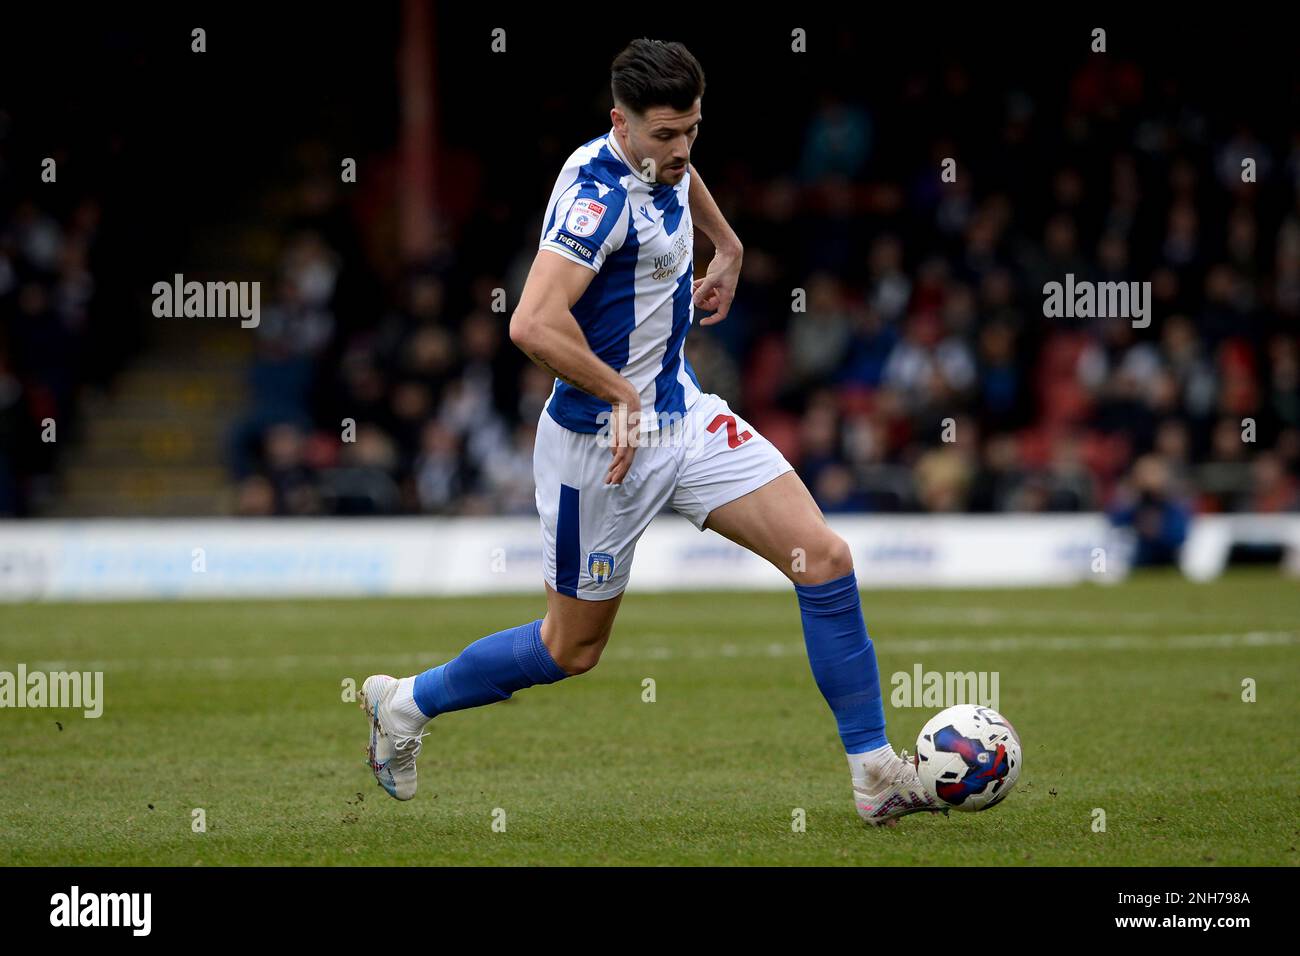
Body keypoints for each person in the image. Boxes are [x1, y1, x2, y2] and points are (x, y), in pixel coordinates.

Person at [360, 38, 939, 827]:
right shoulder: (595, 201)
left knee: (825, 558)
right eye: (663, 135)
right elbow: (532, 322)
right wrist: (616, 393)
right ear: (619, 126)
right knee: (571, 651)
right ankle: (405, 705)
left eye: (691, 130)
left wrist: (727, 246)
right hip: (599, 450)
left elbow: (682, 181)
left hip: (683, 415)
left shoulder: (661, 161)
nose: (681, 149)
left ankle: (873, 773)